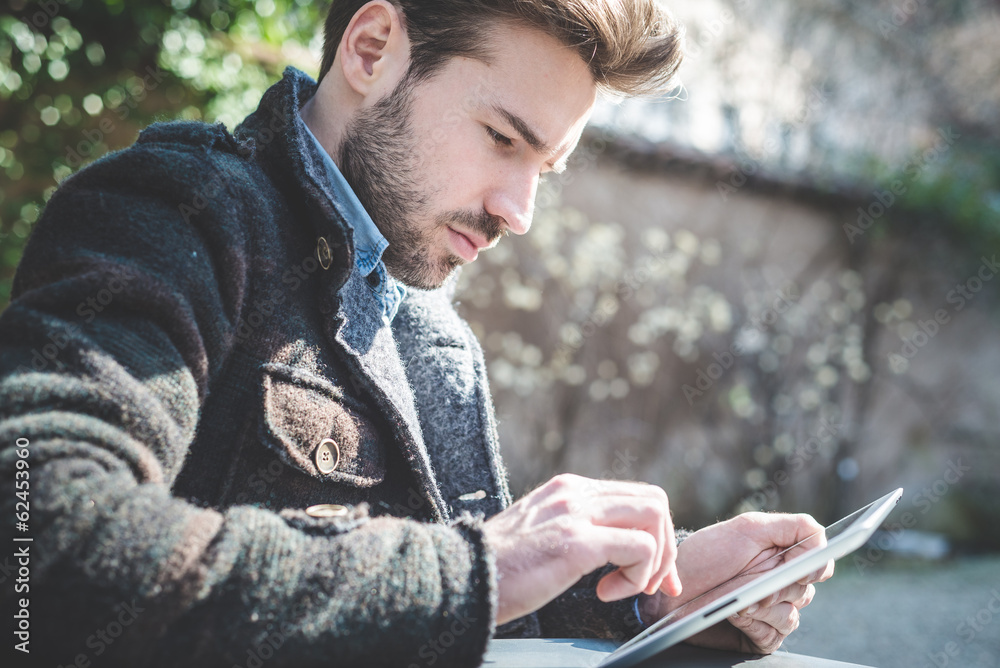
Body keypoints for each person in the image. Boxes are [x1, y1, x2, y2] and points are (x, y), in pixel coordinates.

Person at [0, 1, 832, 666]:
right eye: (502, 138)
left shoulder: (437, 339)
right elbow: (39, 551)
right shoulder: (171, 214)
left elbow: (466, 618)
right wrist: (482, 569)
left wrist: (652, 597)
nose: (519, 211)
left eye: (544, 169)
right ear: (372, 51)